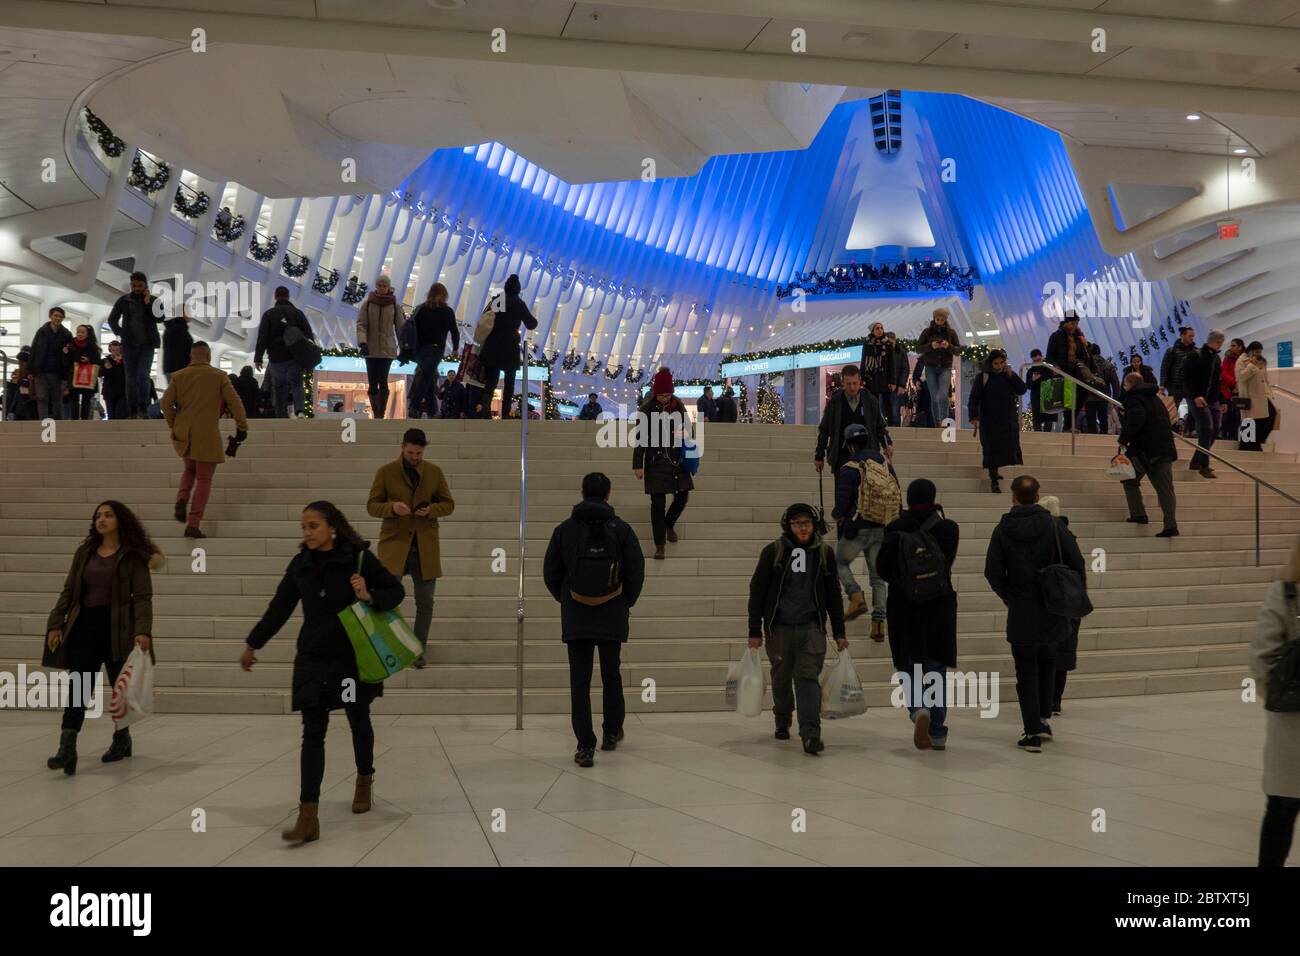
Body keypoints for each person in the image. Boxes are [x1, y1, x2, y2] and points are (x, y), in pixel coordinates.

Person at [241, 502, 405, 844]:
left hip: (350, 659)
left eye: (313, 525)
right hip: (313, 657)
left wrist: (368, 594)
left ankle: (364, 778)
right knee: (312, 731)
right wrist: (253, 644)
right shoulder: (301, 565)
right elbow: (279, 607)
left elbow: (396, 591)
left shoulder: (357, 559)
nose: (307, 533)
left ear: (332, 527)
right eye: (304, 527)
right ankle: (308, 815)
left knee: (357, 717)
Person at [43, 501, 160, 775]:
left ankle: (122, 738)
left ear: (121, 520)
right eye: (98, 516)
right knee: (79, 687)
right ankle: (67, 749)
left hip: (118, 629)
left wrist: (142, 631)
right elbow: (69, 589)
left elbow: (143, 598)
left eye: (108, 515)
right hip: (84, 627)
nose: (101, 519)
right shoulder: (85, 551)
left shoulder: (133, 556)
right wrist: (55, 623)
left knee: (120, 688)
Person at [542, 472, 646, 767]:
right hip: (612, 612)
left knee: (580, 681)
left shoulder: (565, 530)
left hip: (576, 614)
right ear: (608, 494)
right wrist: (625, 601)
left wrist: (567, 599)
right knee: (611, 673)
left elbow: (551, 572)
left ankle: (585, 745)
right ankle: (611, 731)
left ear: (582, 492)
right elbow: (636, 571)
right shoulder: (622, 529)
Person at [984, 475, 1085, 752]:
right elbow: (1077, 562)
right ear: (1037, 496)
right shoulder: (1054, 525)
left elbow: (992, 571)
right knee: (1048, 660)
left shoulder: (1003, 529)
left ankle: (1032, 732)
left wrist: (1009, 595)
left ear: (1014, 496)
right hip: (1052, 606)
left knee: (1025, 670)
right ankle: (1042, 719)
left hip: (1021, 608)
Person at [747, 503, 848, 755]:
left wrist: (839, 631)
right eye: (797, 523)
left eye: (807, 523)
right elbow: (757, 591)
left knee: (807, 679)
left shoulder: (824, 554)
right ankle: (782, 718)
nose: (802, 528)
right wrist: (754, 630)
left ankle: (810, 734)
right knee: (781, 678)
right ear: (788, 526)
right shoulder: (774, 552)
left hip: (811, 627)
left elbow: (834, 595)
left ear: (814, 525)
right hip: (779, 628)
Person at [877, 478, 959, 751]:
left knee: (908, 664)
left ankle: (917, 709)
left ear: (908, 499)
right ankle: (937, 732)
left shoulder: (895, 528)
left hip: (904, 606)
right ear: (934, 497)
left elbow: (882, 570)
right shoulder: (948, 529)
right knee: (935, 668)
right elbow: (946, 563)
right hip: (939, 606)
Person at [366, 428, 455, 669]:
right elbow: (372, 506)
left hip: (425, 545)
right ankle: (391, 644)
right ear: (402, 447)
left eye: (418, 453)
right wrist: (392, 508)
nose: (415, 457)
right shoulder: (386, 472)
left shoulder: (434, 472)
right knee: (387, 597)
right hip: (395, 544)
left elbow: (448, 504)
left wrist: (432, 510)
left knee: (425, 601)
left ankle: (417, 648)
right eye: (411, 452)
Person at [161, 341, 249, 539]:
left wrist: (174, 423)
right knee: (204, 478)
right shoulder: (218, 376)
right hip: (207, 433)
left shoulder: (179, 376)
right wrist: (242, 427)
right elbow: (235, 403)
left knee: (189, 469)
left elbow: (165, 403)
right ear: (208, 356)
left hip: (183, 433)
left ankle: (182, 498)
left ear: (191, 356)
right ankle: (193, 524)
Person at [1249, 536, 1300, 867]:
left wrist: (1282, 700)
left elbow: (1261, 662)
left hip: (1292, 728)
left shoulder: (1286, 595)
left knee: (1281, 811)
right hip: (1292, 728)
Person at [832, 423, 899, 640]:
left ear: (850, 445)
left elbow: (842, 504)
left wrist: (837, 516)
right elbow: (895, 489)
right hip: (881, 525)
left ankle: (855, 595)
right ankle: (878, 624)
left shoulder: (849, 467)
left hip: (857, 527)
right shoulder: (884, 463)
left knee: (839, 562)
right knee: (878, 578)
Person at [633, 369, 693, 560]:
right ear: (655, 392)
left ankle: (669, 524)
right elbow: (640, 438)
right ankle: (660, 544)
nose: (664, 399)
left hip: (677, 460)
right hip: (655, 461)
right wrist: (637, 464)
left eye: (667, 394)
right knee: (657, 504)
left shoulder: (678, 406)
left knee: (682, 497)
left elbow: (689, 430)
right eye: (661, 395)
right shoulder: (647, 409)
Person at [1117, 371, 1179, 536]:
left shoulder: (1134, 398)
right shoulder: (1155, 398)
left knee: (1129, 479)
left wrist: (1123, 438)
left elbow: (1137, 419)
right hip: (1164, 449)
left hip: (1146, 450)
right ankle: (1170, 524)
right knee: (1165, 489)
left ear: (1129, 384)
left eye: (1125, 384)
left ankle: (1139, 513)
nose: (1124, 388)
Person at [476, 274, 538, 419]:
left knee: (491, 381)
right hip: (510, 347)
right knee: (509, 383)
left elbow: (485, 318)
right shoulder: (519, 303)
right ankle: (505, 414)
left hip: (492, 345)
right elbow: (531, 324)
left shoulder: (498, 300)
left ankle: (485, 408)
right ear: (518, 289)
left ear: (505, 287)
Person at [1039, 496, 1079, 717]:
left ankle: (1045, 699)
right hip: (1068, 600)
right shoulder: (1068, 534)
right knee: (1062, 652)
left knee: (1048, 651)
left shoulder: (1043, 535)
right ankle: (1055, 700)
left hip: (1049, 599)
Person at [815, 364, 893, 478]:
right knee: (843, 493)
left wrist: (888, 444)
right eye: (848, 384)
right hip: (842, 456)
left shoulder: (870, 401)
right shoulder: (835, 402)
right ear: (842, 383)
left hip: (868, 456)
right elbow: (824, 430)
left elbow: (880, 426)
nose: (852, 388)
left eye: (855, 383)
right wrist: (819, 455)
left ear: (859, 381)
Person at [967, 349, 1026, 494]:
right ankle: (993, 480)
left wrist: (1012, 376)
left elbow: (1022, 390)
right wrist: (973, 417)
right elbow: (974, 398)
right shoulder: (983, 377)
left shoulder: (1008, 376)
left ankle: (996, 472)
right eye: (996, 363)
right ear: (990, 363)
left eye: (1002, 363)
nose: (999, 366)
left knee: (1004, 449)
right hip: (990, 422)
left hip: (1007, 421)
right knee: (991, 450)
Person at [107, 271, 163, 419]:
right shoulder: (123, 300)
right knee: (130, 377)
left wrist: (148, 302)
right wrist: (120, 332)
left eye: (140, 285)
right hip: (129, 344)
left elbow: (160, 318)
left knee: (143, 375)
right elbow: (112, 319)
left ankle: (143, 407)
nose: (137, 288)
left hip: (147, 345)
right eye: (134, 285)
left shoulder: (154, 300)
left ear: (145, 285)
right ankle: (132, 409)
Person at [255, 286, 314, 419]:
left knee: (279, 386)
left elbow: (262, 336)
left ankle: (280, 413)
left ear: (275, 296)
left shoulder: (269, 314)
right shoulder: (298, 313)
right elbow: (309, 334)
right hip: (295, 355)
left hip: (276, 357)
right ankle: (300, 411)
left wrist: (258, 357)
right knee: (297, 384)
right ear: (288, 296)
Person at [356, 275, 405, 420]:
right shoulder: (368, 303)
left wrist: (404, 348)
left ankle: (380, 414)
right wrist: (362, 342)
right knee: (372, 383)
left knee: (383, 380)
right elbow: (361, 324)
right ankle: (376, 411)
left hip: (387, 350)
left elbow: (400, 328)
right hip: (370, 349)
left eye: (385, 285)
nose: (382, 288)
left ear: (388, 287)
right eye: (380, 285)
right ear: (376, 286)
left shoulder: (395, 305)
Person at [407, 282, 459, 419]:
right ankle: (413, 406)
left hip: (419, 350)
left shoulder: (421, 309)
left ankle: (432, 411)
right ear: (444, 295)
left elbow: (412, 328)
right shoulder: (447, 311)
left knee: (428, 378)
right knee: (425, 377)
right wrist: (455, 348)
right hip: (435, 349)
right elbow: (455, 332)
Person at [1183, 329, 1224, 477]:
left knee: (1214, 429)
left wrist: (1222, 400)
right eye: (1221, 342)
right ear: (1218, 342)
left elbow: (1218, 382)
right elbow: (1187, 378)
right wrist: (1195, 396)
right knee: (1206, 428)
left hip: (1213, 399)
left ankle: (1196, 461)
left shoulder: (1216, 359)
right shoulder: (1196, 355)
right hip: (1197, 398)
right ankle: (1204, 465)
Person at [1045, 313, 1093, 432]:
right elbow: (1049, 356)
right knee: (1068, 398)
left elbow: (1085, 355)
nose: (1074, 326)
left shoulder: (1078, 337)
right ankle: (1068, 426)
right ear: (1066, 322)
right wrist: (1055, 366)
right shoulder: (1056, 336)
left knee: (1083, 394)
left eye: (1076, 323)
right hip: (1063, 371)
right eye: (1072, 323)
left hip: (1076, 371)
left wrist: (1085, 343)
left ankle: (1069, 424)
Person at [916, 308, 961, 427]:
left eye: (942, 319)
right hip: (930, 367)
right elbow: (918, 348)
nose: (939, 321)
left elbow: (958, 350)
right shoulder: (927, 332)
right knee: (934, 397)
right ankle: (937, 422)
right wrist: (931, 346)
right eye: (937, 319)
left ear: (945, 320)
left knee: (943, 395)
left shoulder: (951, 333)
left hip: (945, 367)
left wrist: (948, 345)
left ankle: (944, 420)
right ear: (934, 319)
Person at [29, 306, 74, 420]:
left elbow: (72, 353)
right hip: (41, 370)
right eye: (55, 316)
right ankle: (43, 422)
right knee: (42, 397)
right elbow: (34, 350)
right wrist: (31, 370)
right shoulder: (41, 332)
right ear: (50, 316)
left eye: (60, 316)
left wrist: (67, 352)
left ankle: (57, 423)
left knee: (57, 399)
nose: (58, 318)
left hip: (57, 372)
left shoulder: (66, 334)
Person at [1236, 341, 1276, 452]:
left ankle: (1257, 442)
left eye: (1260, 352)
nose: (1258, 354)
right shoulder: (1242, 360)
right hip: (1249, 396)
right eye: (1256, 351)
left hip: (1262, 395)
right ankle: (1246, 446)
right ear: (1250, 350)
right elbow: (1241, 377)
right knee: (1249, 420)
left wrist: (1270, 393)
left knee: (1270, 416)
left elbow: (1265, 379)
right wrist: (1251, 365)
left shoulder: (1262, 362)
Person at [1161, 326, 1198, 435]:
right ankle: (1171, 431)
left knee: (1194, 409)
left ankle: (1190, 430)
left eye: (1193, 336)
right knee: (1172, 409)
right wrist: (1162, 385)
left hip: (1191, 385)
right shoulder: (1172, 351)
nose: (1192, 338)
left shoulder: (1196, 351)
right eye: (1190, 336)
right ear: (1182, 336)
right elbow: (1165, 368)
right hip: (1175, 385)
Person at [860, 322, 898, 424]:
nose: (880, 330)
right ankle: (874, 423)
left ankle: (891, 424)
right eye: (877, 328)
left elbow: (892, 363)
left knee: (887, 402)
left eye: (881, 328)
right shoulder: (867, 344)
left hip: (884, 377)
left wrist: (893, 380)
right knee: (873, 402)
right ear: (872, 331)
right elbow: (863, 361)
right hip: (871, 377)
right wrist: (861, 377)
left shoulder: (888, 344)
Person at [67, 324, 101, 420]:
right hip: (73, 375)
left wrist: (89, 360)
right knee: (74, 399)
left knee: (86, 399)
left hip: (88, 376)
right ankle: (74, 420)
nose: (80, 334)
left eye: (82, 332)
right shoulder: (70, 345)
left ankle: (85, 420)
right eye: (78, 332)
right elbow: (66, 361)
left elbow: (98, 362)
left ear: (87, 334)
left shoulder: (93, 346)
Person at [1084, 344, 1120, 434]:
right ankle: (1103, 436)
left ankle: (1092, 438)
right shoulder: (1108, 365)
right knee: (1103, 418)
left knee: (1090, 419)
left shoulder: (1086, 364)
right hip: (1104, 396)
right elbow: (1115, 383)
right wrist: (1115, 399)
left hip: (1089, 396)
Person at [1220, 338, 1245, 440]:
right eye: (1231, 345)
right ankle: (1226, 436)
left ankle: (1235, 437)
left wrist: (1239, 384)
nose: (1231, 347)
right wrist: (1234, 383)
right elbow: (1223, 373)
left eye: (1234, 345)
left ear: (1240, 347)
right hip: (1228, 391)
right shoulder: (1227, 358)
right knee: (1227, 416)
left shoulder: (1245, 359)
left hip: (1241, 392)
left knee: (1238, 417)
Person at [1025, 349, 1055, 432]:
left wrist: (1037, 379)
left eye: (1038, 360)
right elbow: (1028, 385)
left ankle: (1047, 435)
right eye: (1035, 361)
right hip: (1036, 397)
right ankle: (1038, 435)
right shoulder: (1031, 371)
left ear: (1042, 357)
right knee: (1037, 418)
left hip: (1047, 394)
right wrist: (1034, 380)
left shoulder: (1048, 367)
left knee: (1048, 417)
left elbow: (1050, 379)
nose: (1037, 362)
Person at [161, 310, 193, 385]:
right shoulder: (179, 330)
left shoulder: (172, 328)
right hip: (179, 369)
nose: (191, 314)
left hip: (171, 368)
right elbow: (185, 351)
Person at [884, 331, 909, 427]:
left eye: (891, 342)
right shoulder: (882, 351)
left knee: (895, 413)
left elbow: (905, 369)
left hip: (896, 387)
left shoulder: (901, 352)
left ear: (894, 341)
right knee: (882, 411)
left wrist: (902, 385)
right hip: (883, 387)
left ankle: (895, 434)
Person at [100, 341, 127, 420]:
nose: (115, 352)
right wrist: (105, 368)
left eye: (117, 350)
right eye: (113, 350)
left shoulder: (125, 361)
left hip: (123, 391)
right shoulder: (105, 361)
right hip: (109, 392)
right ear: (110, 350)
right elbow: (99, 374)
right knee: (111, 414)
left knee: (121, 413)